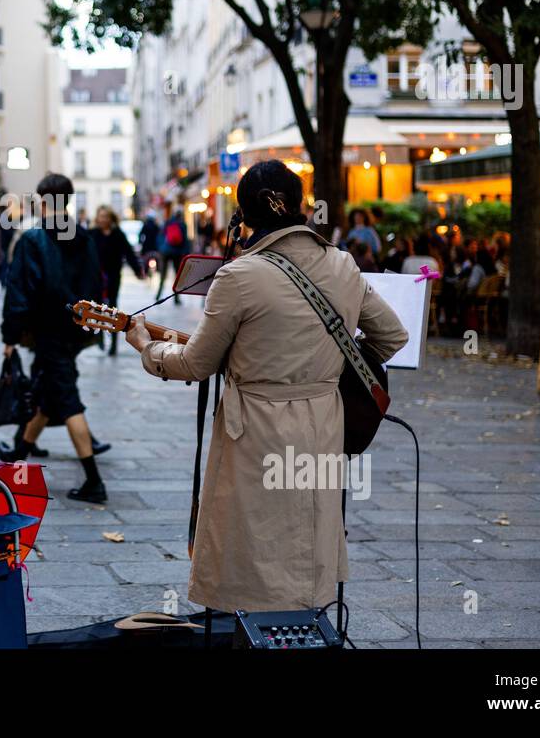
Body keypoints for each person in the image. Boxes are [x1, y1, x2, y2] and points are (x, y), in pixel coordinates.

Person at [125, 159, 408, 614]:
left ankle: (253, 633)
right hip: (323, 421)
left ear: (243, 218)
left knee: (255, 543)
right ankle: (305, 627)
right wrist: (328, 357)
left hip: (255, 426)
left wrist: (147, 347)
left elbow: (196, 364)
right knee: (308, 532)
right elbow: (392, 337)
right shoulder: (342, 265)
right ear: (301, 207)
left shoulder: (238, 276)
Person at [0, 174, 110, 503]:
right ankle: (18, 456)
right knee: (47, 393)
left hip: (46, 329)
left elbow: (18, 292)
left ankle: (93, 480)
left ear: (44, 202)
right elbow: (95, 284)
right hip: (74, 329)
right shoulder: (84, 237)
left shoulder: (33, 239)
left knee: (66, 399)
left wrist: (11, 336)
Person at [91, 205, 145, 356]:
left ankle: (114, 342)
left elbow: (129, 253)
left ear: (111, 219)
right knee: (97, 307)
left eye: (106, 217)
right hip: (97, 277)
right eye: (101, 216)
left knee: (113, 309)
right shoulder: (93, 234)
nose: (103, 219)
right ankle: (99, 336)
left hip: (113, 276)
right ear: (97, 218)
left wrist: (137, 271)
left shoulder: (118, 234)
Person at [155, 204, 189, 305]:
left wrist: (161, 248)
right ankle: (176, 298)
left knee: (163, 275)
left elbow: (160, 235)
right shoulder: (182, 224)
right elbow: (185, 241)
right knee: (177, 276)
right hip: (177, 253)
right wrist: (186, 252)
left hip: (165, 252)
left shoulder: (168, 222)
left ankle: (158, 295)